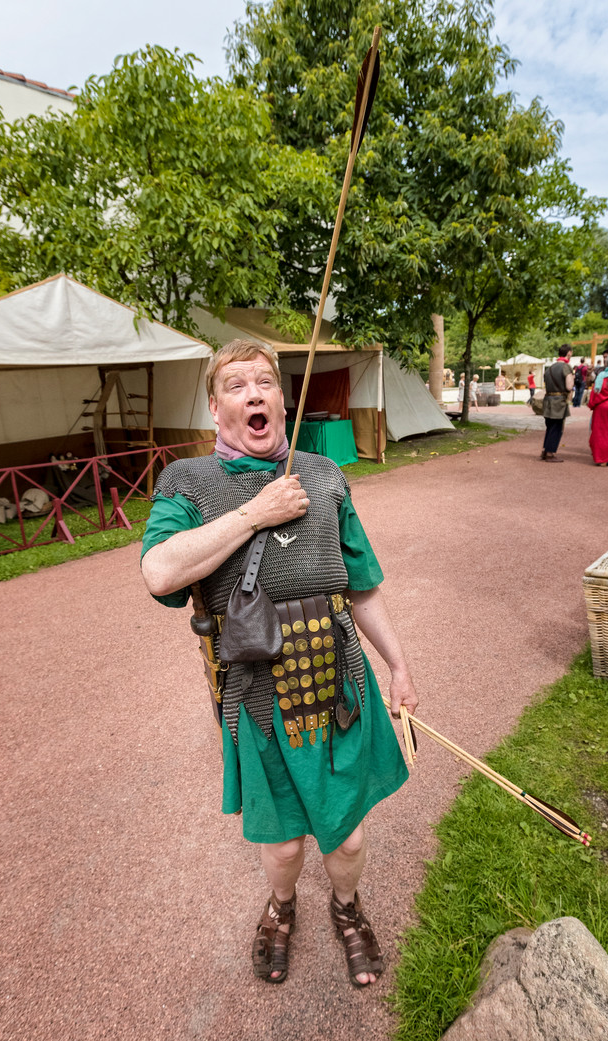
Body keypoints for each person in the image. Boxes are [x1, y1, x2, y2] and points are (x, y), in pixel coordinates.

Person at [140, 339, 418, 988]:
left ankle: (347, 907)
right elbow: (159, 571)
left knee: (346, 839)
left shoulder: (324, 476)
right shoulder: (189, 483)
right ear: (216, 409)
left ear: (282, 398)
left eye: (265, 381)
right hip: (258, 699)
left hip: (340, 683)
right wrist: (254, 513)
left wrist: (399, 666)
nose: (255, 393)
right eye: (237, 385)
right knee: (286, 843)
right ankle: (281, 905)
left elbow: (364, 585)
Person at [540, 345, 574, 462]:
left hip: (548, 400)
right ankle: (550, 453)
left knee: (550, 426)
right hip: (559, 401)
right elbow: (569, 386)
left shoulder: (549, 368)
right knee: (557, 427)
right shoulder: (566, 367)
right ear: (568, 353)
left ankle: (546, 450)